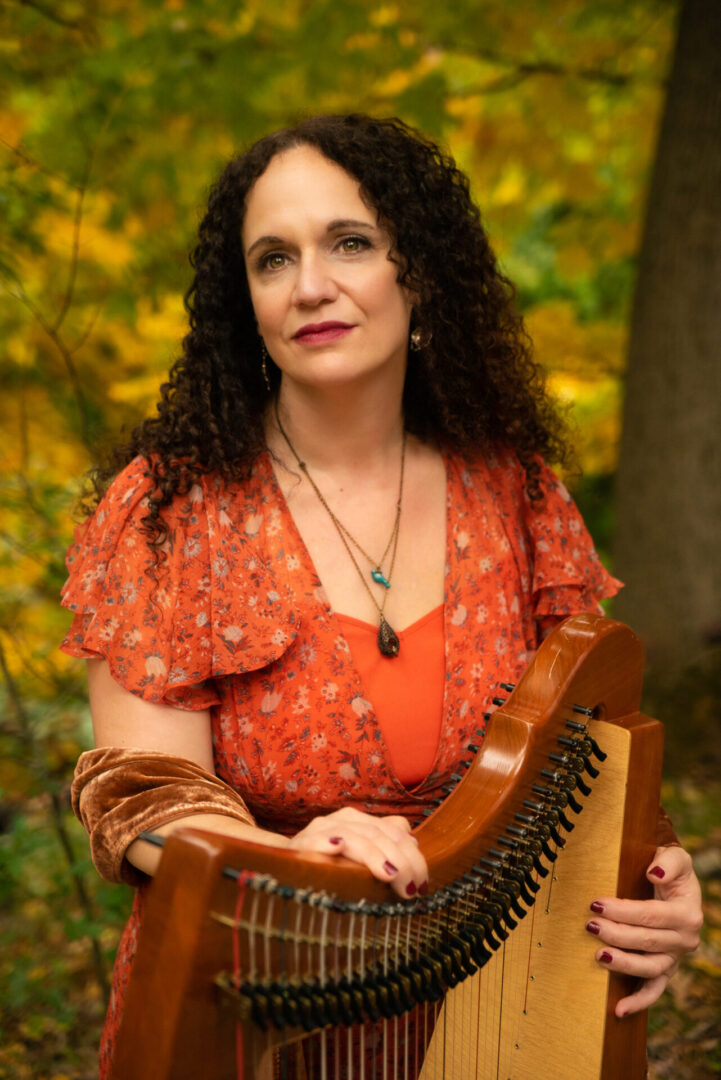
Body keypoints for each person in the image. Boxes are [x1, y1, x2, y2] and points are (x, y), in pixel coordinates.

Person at [62, 114, 702, 1077]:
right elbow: (141, 794)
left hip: (493, 1009)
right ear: (246, 303)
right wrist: (281, 856)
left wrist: (657, 881)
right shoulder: (169, 510)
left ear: (419, 273)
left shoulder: (515, 494)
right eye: (273, 259)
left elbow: (589, 749)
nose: (309, 286)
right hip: (245, 1004)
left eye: (350, 243)